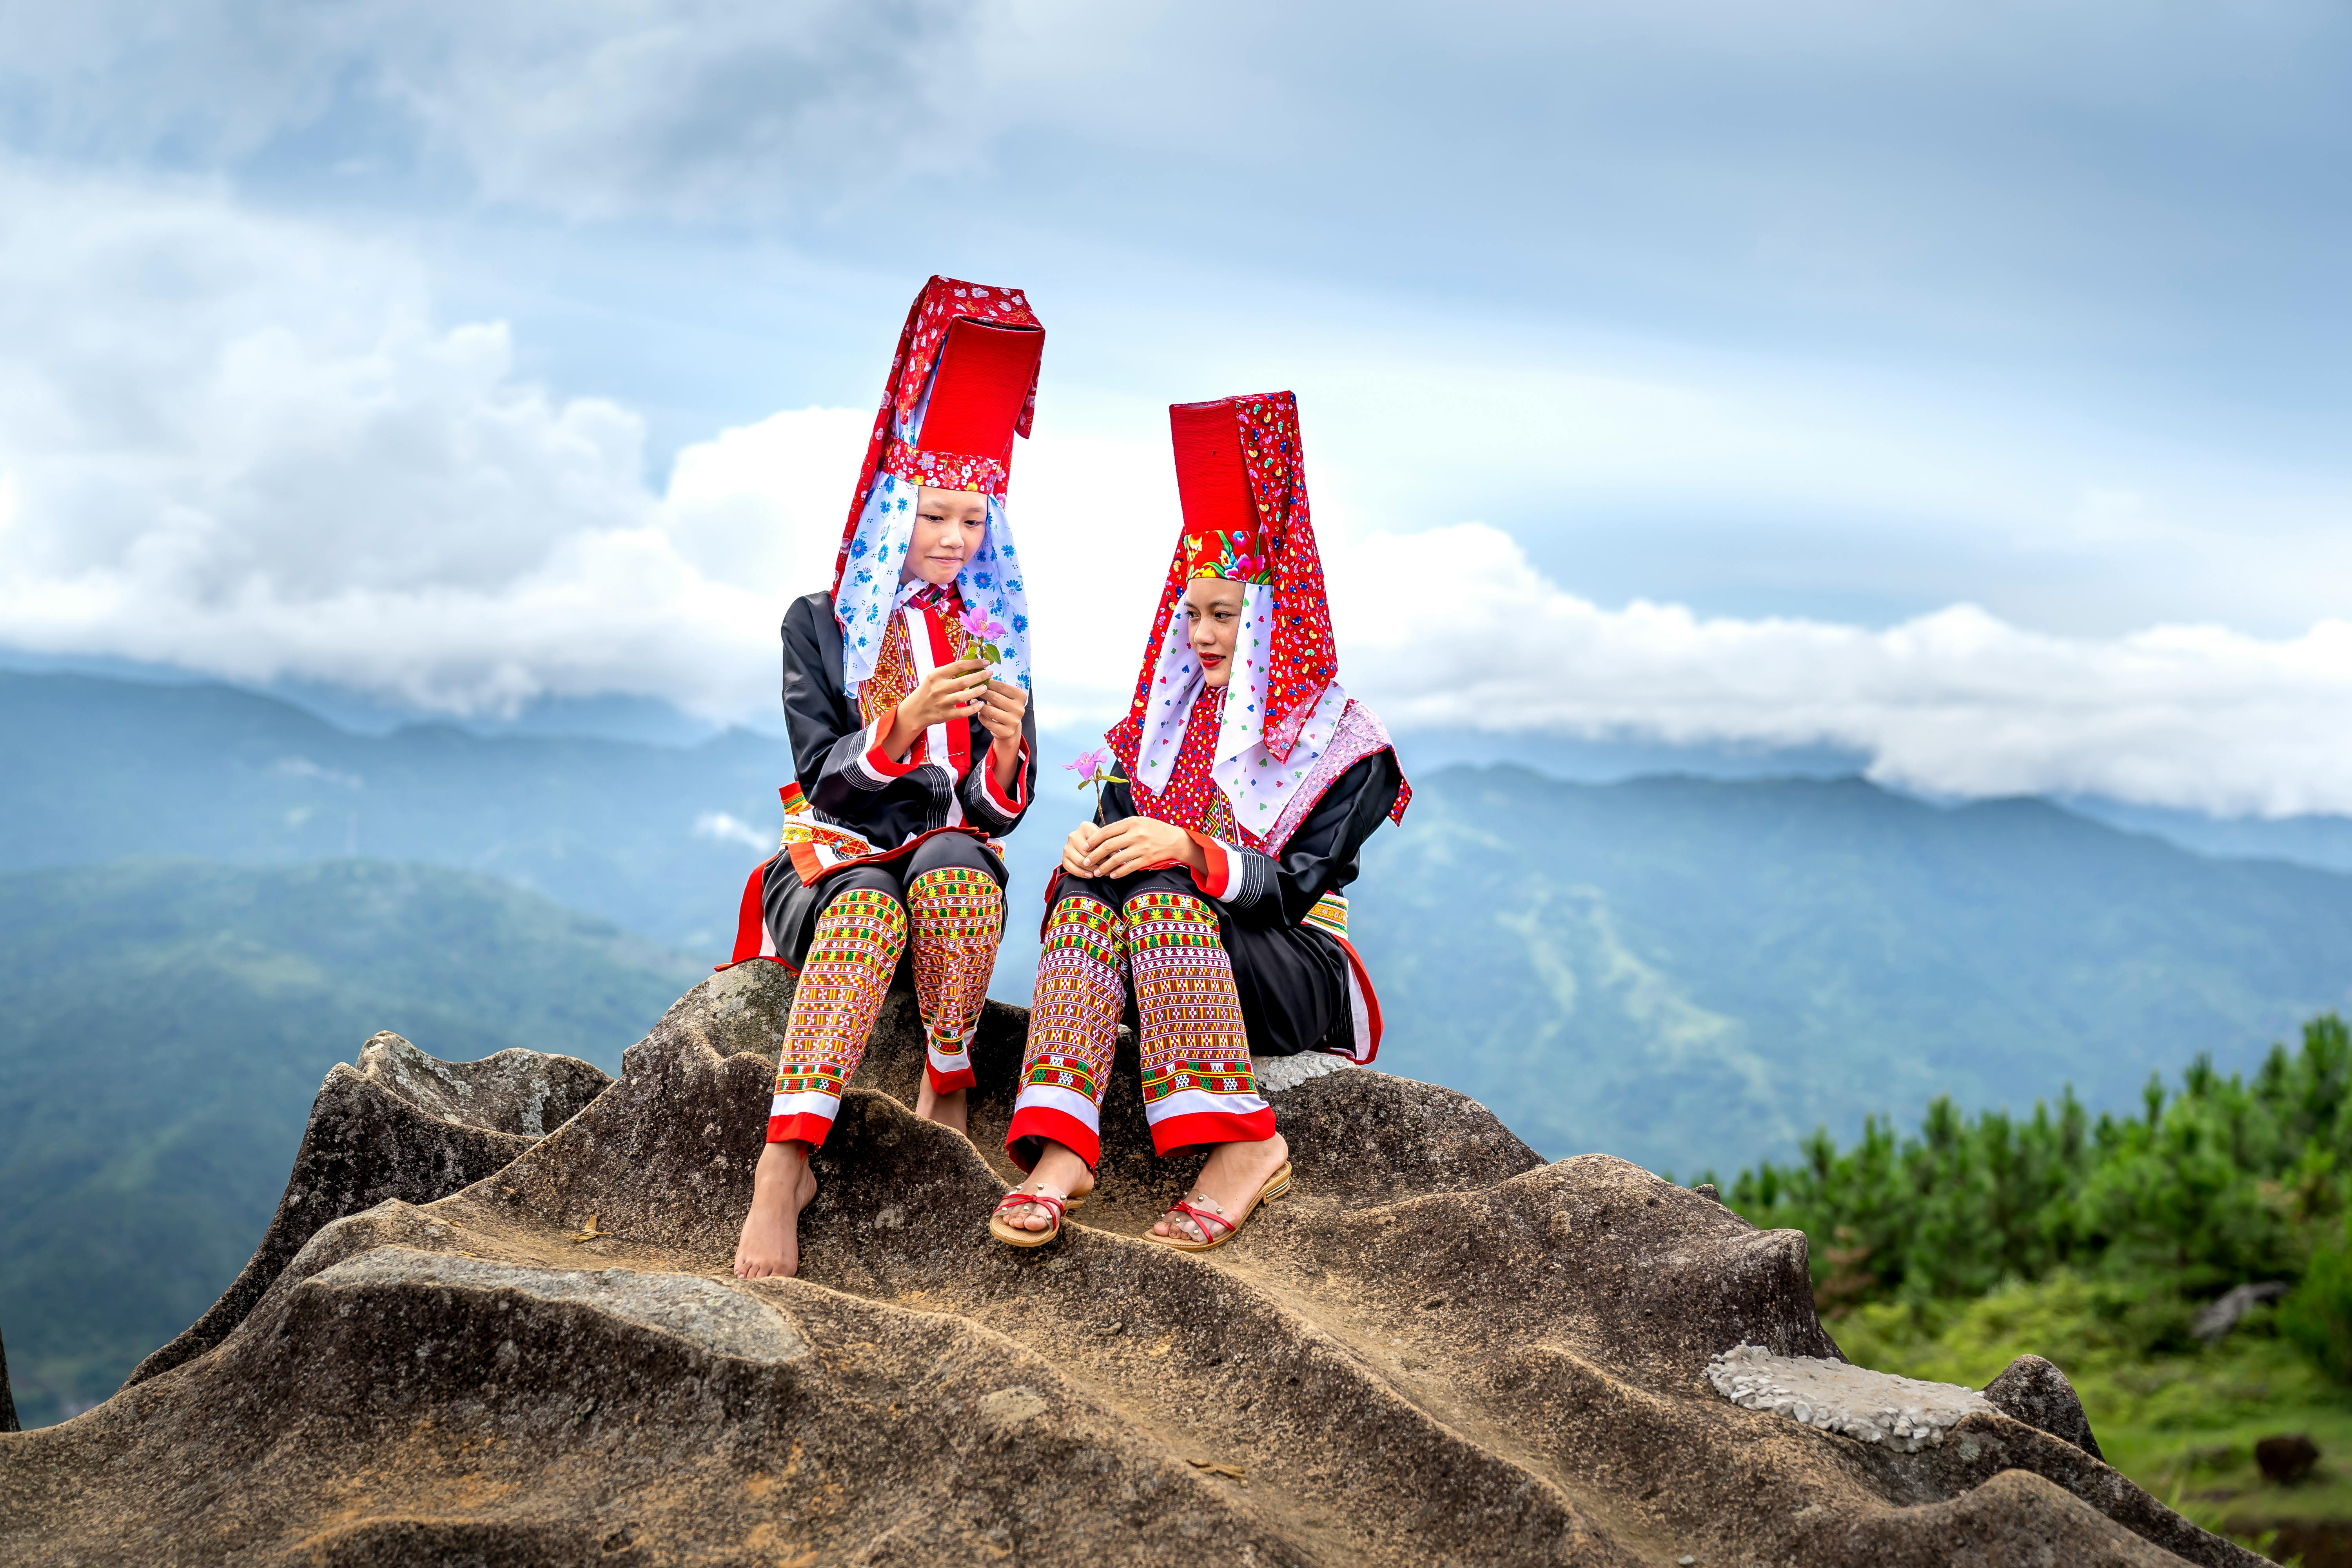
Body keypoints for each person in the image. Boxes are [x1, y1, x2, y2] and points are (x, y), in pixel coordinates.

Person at [993, 390, 1410, 1251]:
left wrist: (1188, 846)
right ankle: (1065, 1143)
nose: (1203, 634)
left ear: (1274, 619)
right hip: (1169, 954)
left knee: (1159, 883)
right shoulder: (1164, 728)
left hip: (1289, 969)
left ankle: (1245, 1145)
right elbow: (1116, 838)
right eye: (1192, 610)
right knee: (1090, 881)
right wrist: (1089, 845)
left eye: (1226, 613)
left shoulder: (1348, 748)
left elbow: (1295, 893)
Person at [729, 276, 1045, 1279]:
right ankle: (785, 1164)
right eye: (934, 516)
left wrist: (1002, 750)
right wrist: (904, 721)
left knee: (959, 858)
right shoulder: (818, 623)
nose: (956, 541)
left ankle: (947, 1077)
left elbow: (996, 810)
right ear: (887, 512)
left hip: (940, 857)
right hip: (835, 859)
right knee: (868, 903)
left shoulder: (989, 631)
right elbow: (823, 783)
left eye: (972, 521)